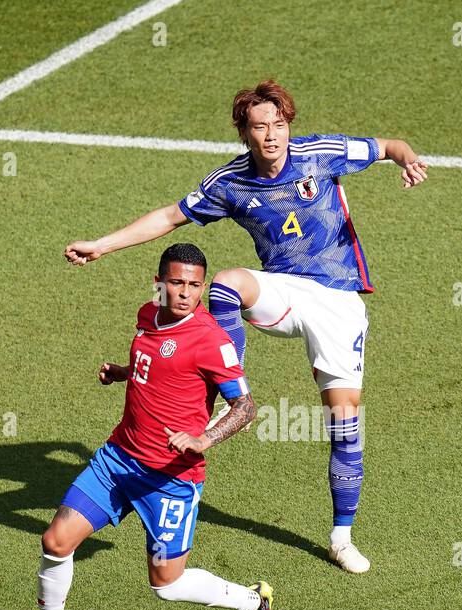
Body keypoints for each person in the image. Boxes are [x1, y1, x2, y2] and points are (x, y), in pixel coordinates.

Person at [64, 79, 429, 574]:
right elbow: (171, 217)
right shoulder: (230, 183)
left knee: (345, 425)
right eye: (260, 127)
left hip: (339, 301)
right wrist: (103, 245)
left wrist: (407, 159)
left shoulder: (321, 153)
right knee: (229, 283)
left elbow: (389, 146)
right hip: (280, 289)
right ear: (245, 133)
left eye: (279, 125)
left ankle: (341, 536)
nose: (272, 136)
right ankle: (222, 394)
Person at [0, 243, 274, 610]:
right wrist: (126, 373)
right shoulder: (149, 314)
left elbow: (246, 407)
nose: (185, 293)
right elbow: (161, 367)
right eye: (176, 283)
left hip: (169, 479)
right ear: (159, 283)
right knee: (55, 540)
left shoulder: (211, 341)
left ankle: (251, 601)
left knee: (165, 584)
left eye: (194, 285)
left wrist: (204, 440)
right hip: (117, 460)